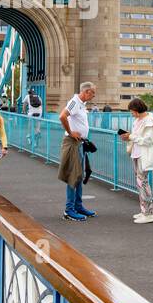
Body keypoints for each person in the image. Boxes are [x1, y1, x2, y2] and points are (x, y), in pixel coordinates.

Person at [118, 98, 153, 224]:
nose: (131, 114)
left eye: (132, 111)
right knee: (140, 182)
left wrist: (130, 136)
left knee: (143, 183)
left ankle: (148, 214)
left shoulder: (149, 121)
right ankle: (145, 211)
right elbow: (138, 137)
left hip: (144, 155)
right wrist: (129, 137)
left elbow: (148, 140)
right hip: (137, 154)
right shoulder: (138, 120)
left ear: (137, 111)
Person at [58, 82, 97, 222]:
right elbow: (62, 116)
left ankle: (78, 206)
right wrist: (71, 132)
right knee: (73, 176)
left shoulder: (81, 104)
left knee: (79, 175)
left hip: (79, 143)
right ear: (86, 91)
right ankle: (69, 210)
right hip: (72, 142)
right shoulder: (74, 102)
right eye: (93, 93)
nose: (94, 96)